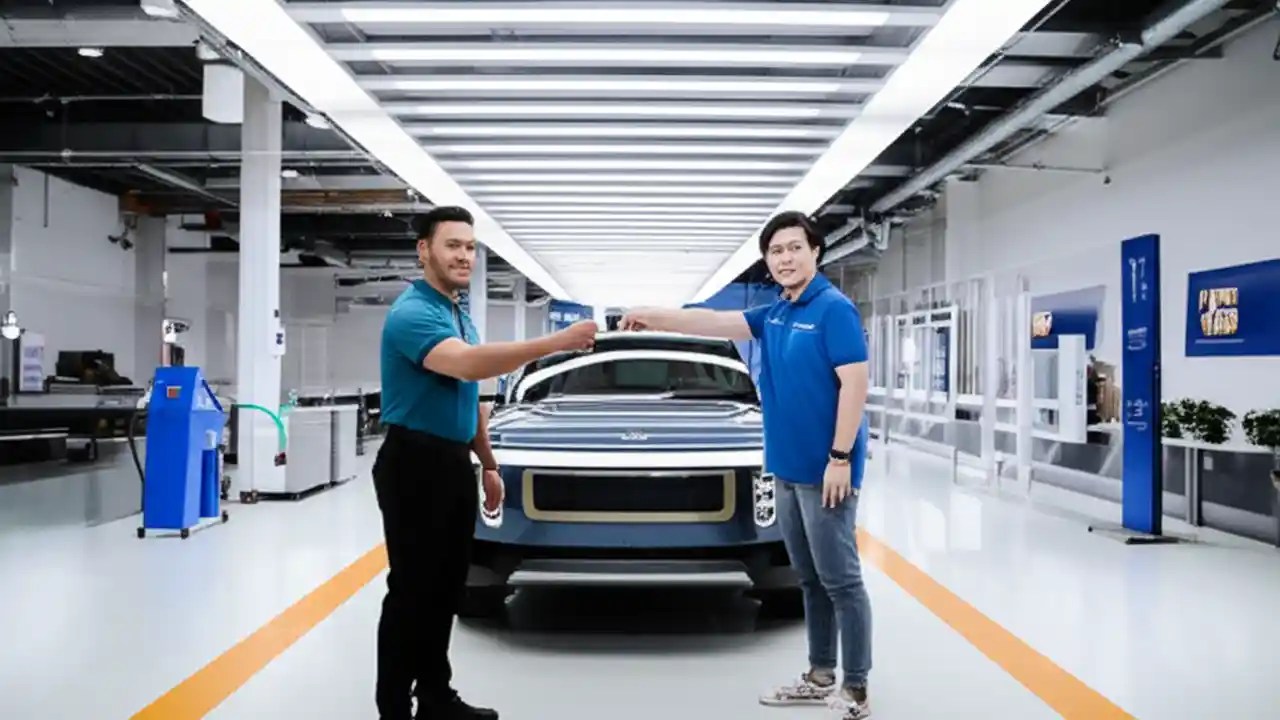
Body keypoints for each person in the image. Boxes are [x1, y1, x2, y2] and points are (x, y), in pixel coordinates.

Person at [619, 210, 874, 719]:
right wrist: (652, 313)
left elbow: (855, 384)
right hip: (786, 467)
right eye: (776, 251)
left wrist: (841, 457)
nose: (785, 258)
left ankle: (856, 688)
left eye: (794, 248)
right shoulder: (776, 312)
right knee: (809, 577)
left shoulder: (833, 310)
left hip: (827, 471)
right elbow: (710, 322)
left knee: (841, 580)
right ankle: (819, 674)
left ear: (815, 251)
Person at [374, 205, 597, 720]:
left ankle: (434, 695)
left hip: (452, 462)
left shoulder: (457, 312)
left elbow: (470, 392)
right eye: (453, 244)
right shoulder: (413, 313)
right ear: (424, 249)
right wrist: (555, 343)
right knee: (411, 589)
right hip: (413, 463)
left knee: (447, 585)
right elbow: (466, 363)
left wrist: (488, 463)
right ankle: (393, 709)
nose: (464, 256)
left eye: (471, 247)